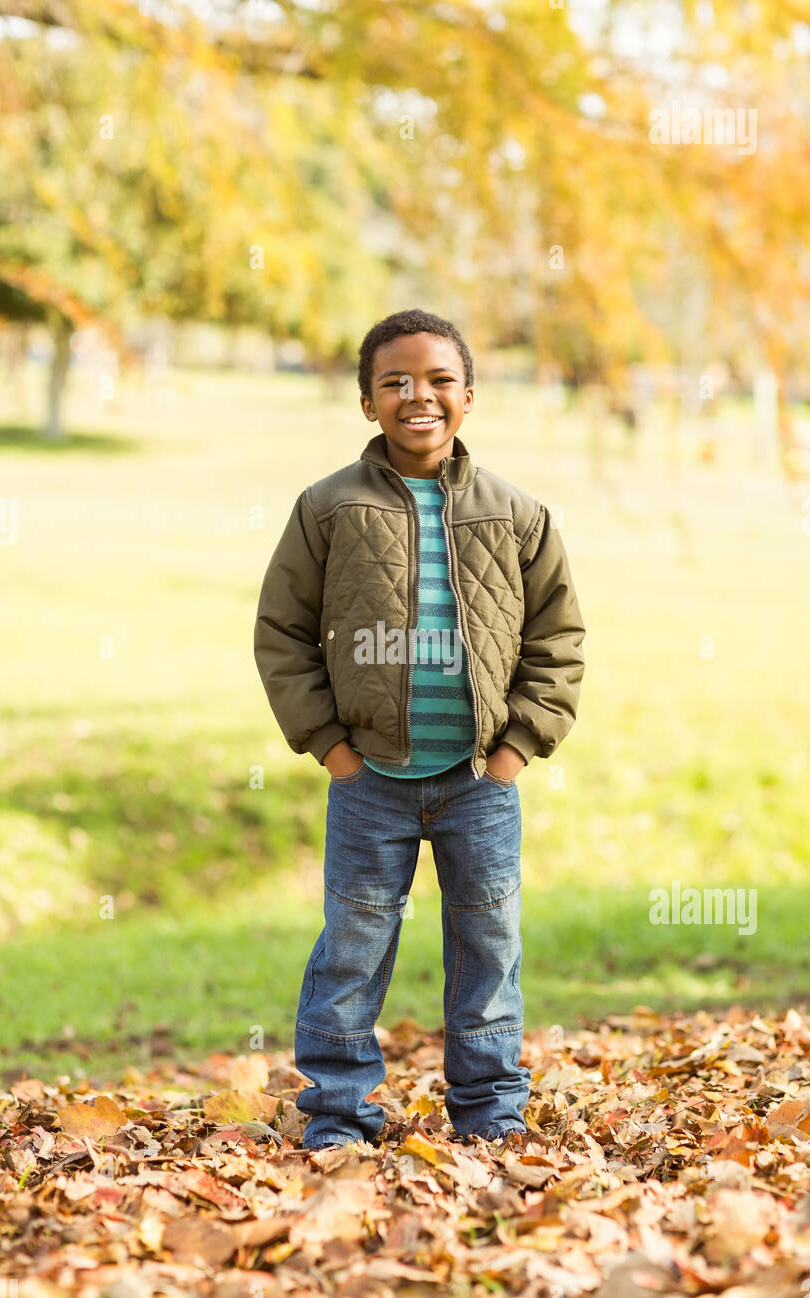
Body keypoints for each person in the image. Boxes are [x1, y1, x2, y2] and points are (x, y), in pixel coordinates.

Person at [253, 308, 586, 1149]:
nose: (417, 396)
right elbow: (282, 634)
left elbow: (557, 638)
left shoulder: (517, 514)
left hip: (480, 783)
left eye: (438, 380)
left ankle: (490, 1113)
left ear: (469, 394)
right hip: (370, 781)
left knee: (489, 950)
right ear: (368, 402)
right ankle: (336, 1115)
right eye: (394, 382)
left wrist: (514, 751)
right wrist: (331, 750)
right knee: (352, 952)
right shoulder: (327, 508)